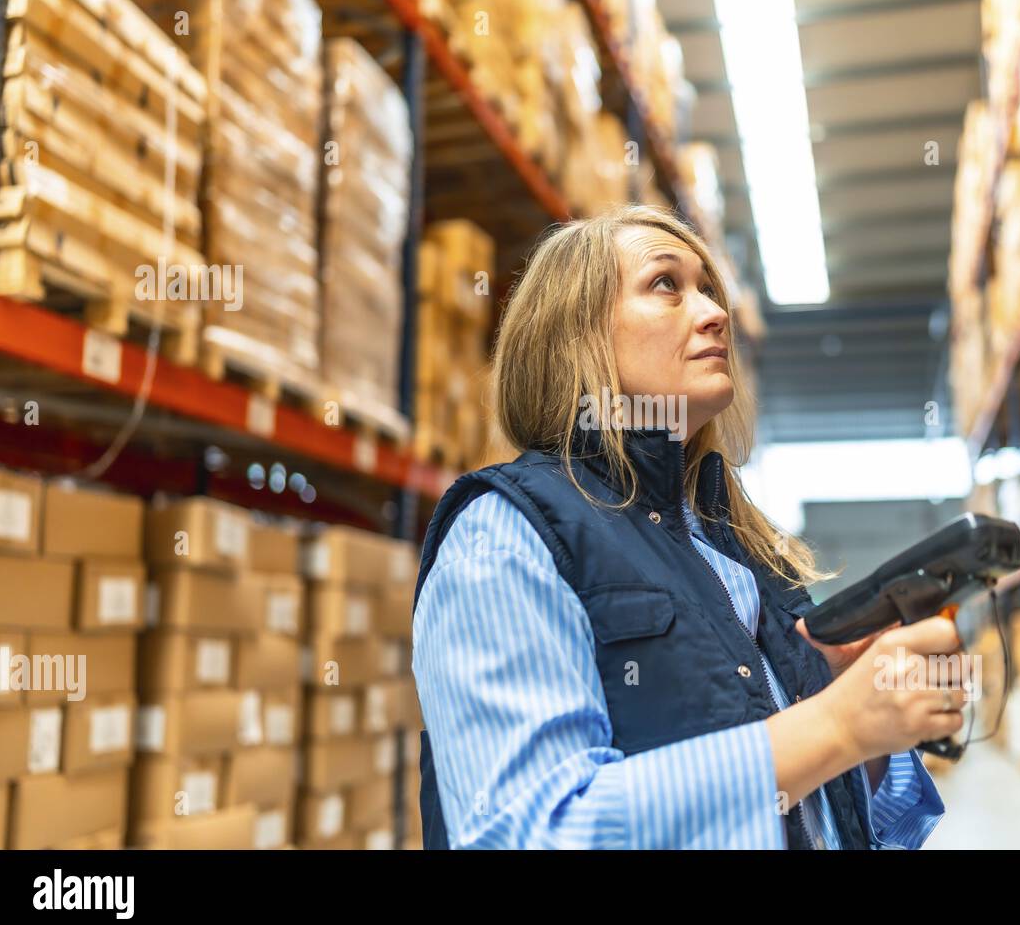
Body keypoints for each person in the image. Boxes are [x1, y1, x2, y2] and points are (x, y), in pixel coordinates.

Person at [411, 204, 962, 849]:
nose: (714, 313)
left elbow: (849, 824)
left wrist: (861, 721)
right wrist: (836, 727)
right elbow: (533, 831)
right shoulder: (503, 535)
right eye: (666, 284)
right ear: (573, 333)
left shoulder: (738, 547)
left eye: (709, 289)